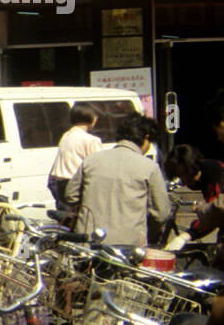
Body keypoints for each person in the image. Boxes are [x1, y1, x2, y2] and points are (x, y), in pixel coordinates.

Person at [64, 113, 171, 247]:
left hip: (89, 243)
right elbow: (161, 213)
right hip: (128, 247)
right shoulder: (149, 167)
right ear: (146, 137)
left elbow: (70, 196)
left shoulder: (91, 161)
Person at [47, 103, 103, 209]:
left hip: (60, 185)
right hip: (77, 187)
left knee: (66, 221)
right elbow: (98, 168)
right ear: (90, 117)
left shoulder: (66, 136)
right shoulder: (91, 140)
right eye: (95, 116)